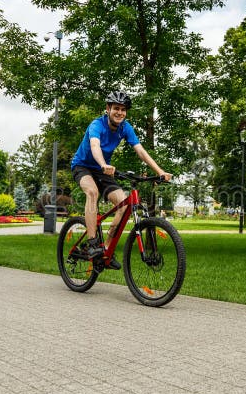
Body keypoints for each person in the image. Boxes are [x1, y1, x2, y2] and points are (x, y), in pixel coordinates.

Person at [71, 91, 172, 268]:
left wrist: (160, 171)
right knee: (92, 192)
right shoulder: (97, 125)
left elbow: (140, 150)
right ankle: (93, 242)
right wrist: (103, 164)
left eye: (123, 109)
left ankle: (106, 250)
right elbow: (95, 146)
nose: (120, 112)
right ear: (108, 109)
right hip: (83, 166)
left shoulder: (125, 128)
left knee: (124, 205)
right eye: (116, 108)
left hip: (103, 170)